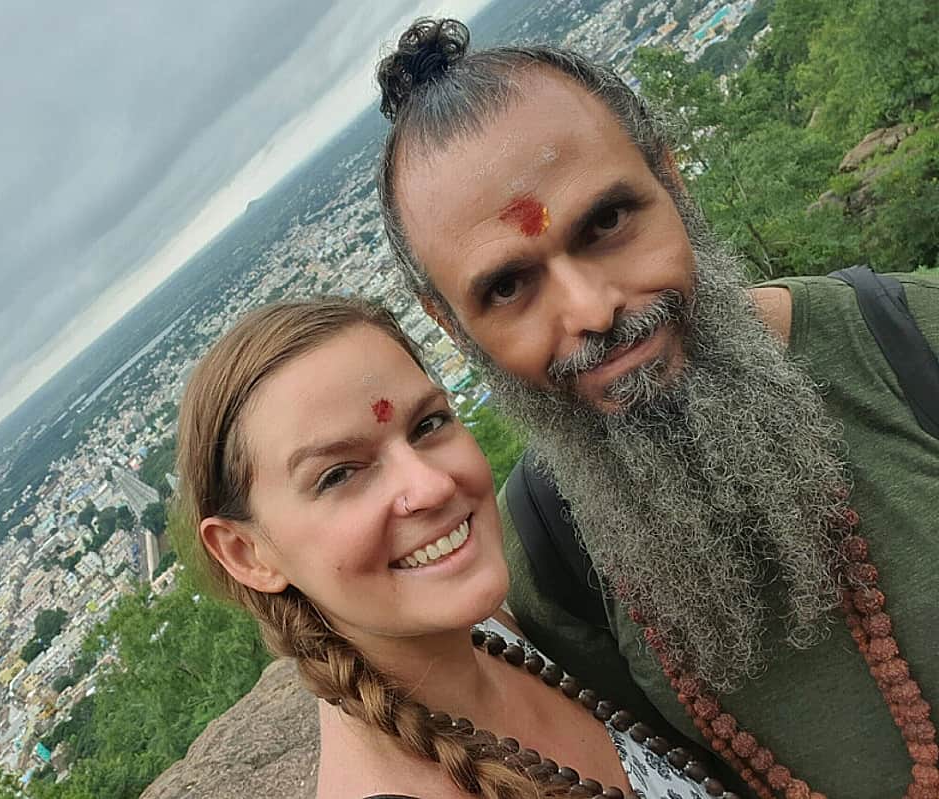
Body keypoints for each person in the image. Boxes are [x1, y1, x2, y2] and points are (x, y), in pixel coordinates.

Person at [372, 17, 939, 799]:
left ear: (670, 177)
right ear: (451, 323)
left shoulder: (915, 344)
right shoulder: (551, 556)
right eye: (508, 287)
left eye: (606, 223)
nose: (592, 312)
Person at [175, 298, 733, 799]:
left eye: (428, 424)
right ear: (247, 554)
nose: (432, 485)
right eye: (339, 474)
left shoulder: (489, 633)